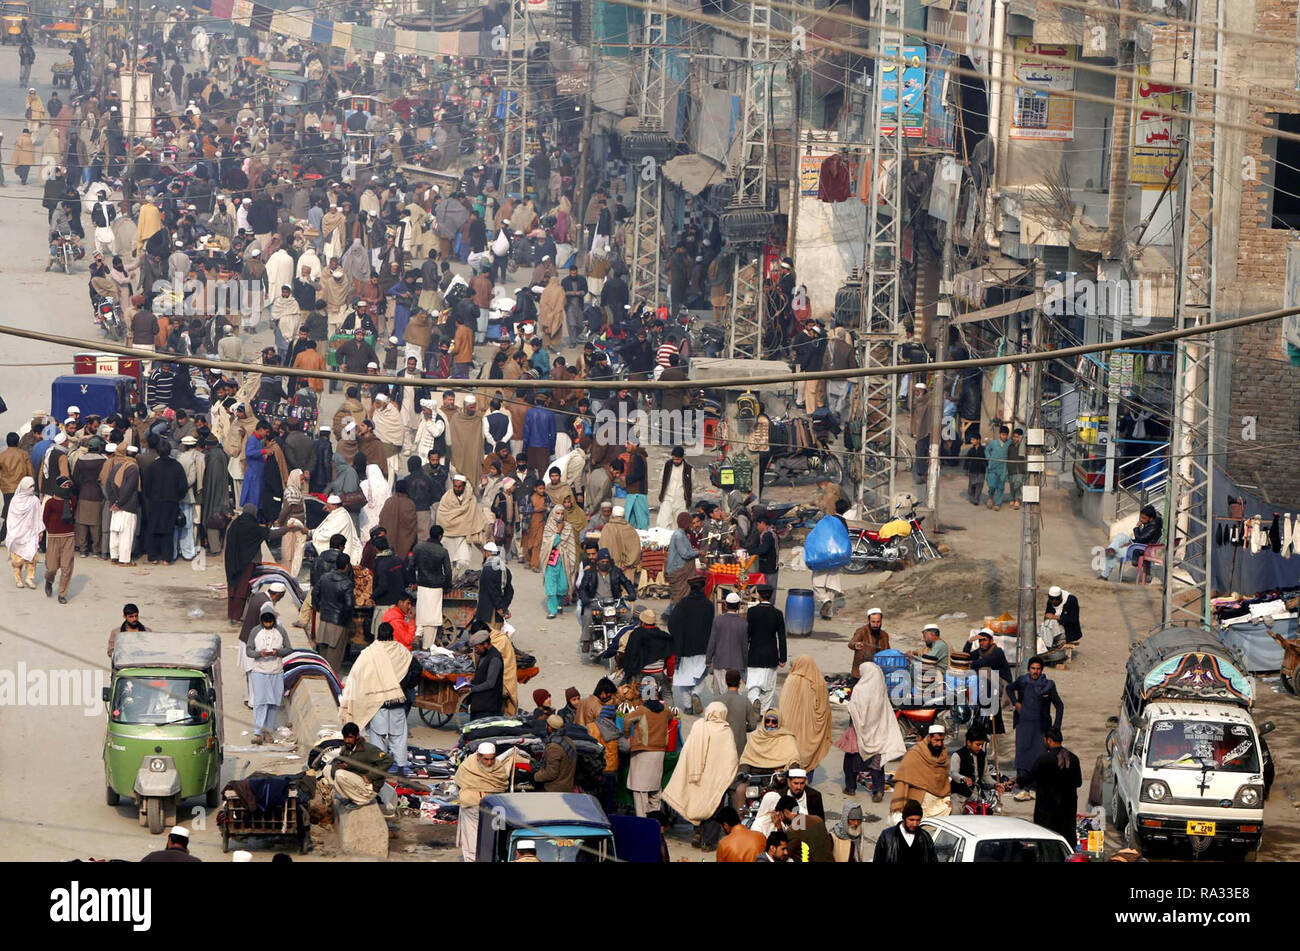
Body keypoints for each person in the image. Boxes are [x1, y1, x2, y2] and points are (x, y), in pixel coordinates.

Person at [340, 621, 421, 773]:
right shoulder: (402, 651)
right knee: (399, 737)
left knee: (378, 737)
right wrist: (406, 686)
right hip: (397, 702)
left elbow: (356, 675)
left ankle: (380, 769)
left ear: (378, 635)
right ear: (392, 635)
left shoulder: (369, 653)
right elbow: (417, 669)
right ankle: (401, 768)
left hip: (377, 705)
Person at [663, 701, 739, 850]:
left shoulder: (698, 726)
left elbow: (687, 751)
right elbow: (731, 759)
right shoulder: (725, 731)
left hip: (697, 775)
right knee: (714, 807)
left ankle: (698, 833)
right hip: (716, 778)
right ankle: (709, 842)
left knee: (697, 802)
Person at [453, 741, 521, 861]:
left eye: (492, 759)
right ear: (478, 756)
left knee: (498, 837)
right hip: (472, 806)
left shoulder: (499, 768)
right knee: (471, 839)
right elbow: (459, 783)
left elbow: (502, 786)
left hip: (496, 807)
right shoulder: (467, 767)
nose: (489, 763)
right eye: (486, 759)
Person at [1009, 656, 1065, 798]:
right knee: (1022, 755)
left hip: (1041, 727)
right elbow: (1009, 689)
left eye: (1038, 669)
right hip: (1024, 725)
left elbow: (1059, 705)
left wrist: (1056, 727)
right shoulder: (1022, 681)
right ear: (1029, 669)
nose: (1035, 671)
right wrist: (1016, 703)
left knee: (1038, 756)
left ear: (1042, 670)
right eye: (1033, 668)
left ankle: (1035, 787)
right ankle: (1023, 788)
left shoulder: (1048, 685)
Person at [623, 677, 671, 817]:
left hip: (643, 752)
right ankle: (655, 818)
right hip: (659, 753)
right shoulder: (665, 709)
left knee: (640, 789)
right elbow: (671, 718)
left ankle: (642, 819)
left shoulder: (642, 710)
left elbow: (627, 721)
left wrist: (628, 735)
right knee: (655, 788)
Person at [778, 655, 833, 779]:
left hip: (789, 728)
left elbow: (783, 705)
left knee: (791, 754)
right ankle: (806, 782)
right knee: (809, 752)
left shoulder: (790, 680)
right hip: (810, 728)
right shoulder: (819, 682)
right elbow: (824, 709)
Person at [327, 722, 395, 815]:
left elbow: (388, 761)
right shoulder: (347, 749)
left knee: (340, 775)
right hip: (358, 780)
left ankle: (361, 800)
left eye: (350, 737)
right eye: (345, 737)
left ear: (357, 736)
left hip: (370, 785)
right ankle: (350, 797)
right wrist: (340, 766)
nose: (347, 740)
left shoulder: (368, 749)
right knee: (328, 770)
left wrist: (371, 776)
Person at [246, 607, 291, 744]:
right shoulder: (255, 631)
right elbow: (249, 650)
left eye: (270, 621)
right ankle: (258, 732)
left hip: (276, 671)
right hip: (260, 671)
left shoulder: (281, 631)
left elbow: (289, 649)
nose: (268, 623)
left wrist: (278, 652)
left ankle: (268, 731)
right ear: (261, 620)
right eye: (265, 621)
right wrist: (260, 654)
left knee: (273, 703)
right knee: (261, 702)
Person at [668, 574, 713, 712]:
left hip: (685, 648)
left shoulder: (682, 604)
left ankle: (688, 706)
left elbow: (672, 623)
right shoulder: (709, 606)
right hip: (703, 648)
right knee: (701, 675)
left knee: (684, 678)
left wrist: (677, 638)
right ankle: (696, 693)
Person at [1030, 727, 1082, 844]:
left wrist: (1015, 781)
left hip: (1046, 814)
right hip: (1067, 812)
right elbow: (1078, 783)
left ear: (1049, 740)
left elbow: (1030, 780)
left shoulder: (1042, 760)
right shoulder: (1073, 759)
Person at [889, 725, 952, 821]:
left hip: (937, 804)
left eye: (941, 740)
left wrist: (947, 798)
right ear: (929, 737)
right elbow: (902, 779)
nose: (939, 744)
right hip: (917, 801)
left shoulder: (943, 754)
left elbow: (944, 780)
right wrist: (899, 805)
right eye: (936, 740)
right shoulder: (915, 753)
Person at [745, 584, 786, 710]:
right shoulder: (778, 614)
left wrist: (744, 652)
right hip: (771, 655)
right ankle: (763, 711)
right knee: (768, 687)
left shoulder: (752, 612)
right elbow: (782, 637)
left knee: (753, 684)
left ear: (758, 595)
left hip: (755, 653)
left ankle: (755, 700)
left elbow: (747, 634)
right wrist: (783, 657)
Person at [312, 551, 356, 672]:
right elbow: (349, 605)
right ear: (347, 566)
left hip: (325, 618)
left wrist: (319, 607)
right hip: (339, 622)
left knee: (323, 651)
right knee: (335, 655)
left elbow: (315, 594)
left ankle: (321, 674)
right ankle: (330, 678)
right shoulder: (347, 583)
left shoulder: (324, 577)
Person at [41, 477, 76, 603]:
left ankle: (62, 594)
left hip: (69, 536)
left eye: (68, 486)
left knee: (67, 567)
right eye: (64, 486)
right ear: (58, 487)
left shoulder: (72, 499)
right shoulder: (50, 502)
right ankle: (49, 581)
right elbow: (45, 519)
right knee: (52, 567)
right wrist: (51, 530)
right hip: (54, 537)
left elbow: (74, 514)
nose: (67, 488)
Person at [949, 725, 1002, 810]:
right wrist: (963, 778)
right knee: (956, 815)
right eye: (978, 744)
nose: (980, 747)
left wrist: (995, 784)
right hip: (959, 796)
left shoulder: (982, 756)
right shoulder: (957, 755)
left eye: (982, 744)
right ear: (969, 742)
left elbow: (985, 775)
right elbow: (953, 773)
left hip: (977, 795)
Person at [706, 592, 749, 696]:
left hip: (720, 661)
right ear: (739, 605)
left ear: (725, 604)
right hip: (737, 664)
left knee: (720, 692)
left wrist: (708, 659)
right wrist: (745, 663)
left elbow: (712, 641)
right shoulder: (744, 623)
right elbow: (745, 646)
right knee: (732, 692)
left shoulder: (718, 620)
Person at [772, 793, 834, 862]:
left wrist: (779, 828)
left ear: (786, 812)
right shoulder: (818, 819)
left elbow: (783, 856)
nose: (780, 818)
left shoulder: (793, 830)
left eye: (780, 814)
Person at [872, 800, 938, 864]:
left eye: (918, 820)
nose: (915, 824)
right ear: (904, 818)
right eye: (911, 820)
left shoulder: (925, 838)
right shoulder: (887, 836)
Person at [619, 608, 673, 685]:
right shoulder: (664, 636)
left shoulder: (635, 634)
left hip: (639, 673)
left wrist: (627, 673)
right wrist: (670, 676)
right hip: (658, 673)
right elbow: (671, 659)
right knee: (667, 694)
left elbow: (629, 654)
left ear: (642, 623)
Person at [5, 476, 41, 588]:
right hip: (17, 533)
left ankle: (29, 578)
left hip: (30, 533)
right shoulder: (15, 500)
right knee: (17, 560)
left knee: (31, 557)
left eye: (33, 486)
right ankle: (18, 579)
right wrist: (11, 532)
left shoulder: (34, 500)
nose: (32, 488)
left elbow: (38, 516)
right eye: (30, 486)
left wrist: (40, 531)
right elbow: (10, 517)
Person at [533, 714, 578, 792]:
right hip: (568, 786)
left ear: (549, 727)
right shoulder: (568, 741)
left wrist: (534, 776)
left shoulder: (553, 747)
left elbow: (551, 773)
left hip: (555, 790)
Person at [465, 629, 504, 719]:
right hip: (479, 704)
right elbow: (483, 672)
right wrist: (473, 677)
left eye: (477, 648)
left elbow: (490, 683)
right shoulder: (483, 654)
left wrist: (471, 690)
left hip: (488, 707)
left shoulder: (495, 658)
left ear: (485, 644)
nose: (475, 651)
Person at [475, 541, 514, 629]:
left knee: (490, 636)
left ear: (487, 553)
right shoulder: (504, 568)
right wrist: (504, 608)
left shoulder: (488, 569)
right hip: (499, 611)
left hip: (490, 612)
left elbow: (492, 592)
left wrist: (500, 607)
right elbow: (509, 591)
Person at [665, 511, 701, 603]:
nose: (691, 526)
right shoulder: (679, 536)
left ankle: (669, 615)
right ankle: (672, 615)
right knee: (679, 597)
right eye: (690, 523)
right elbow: (685, 554)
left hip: (680, 570)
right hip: (678, 571)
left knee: (679, 596)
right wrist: (698, 553)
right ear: (686, 524)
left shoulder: (681, 534)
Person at [848, 606, 890, 674]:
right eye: (873, 622)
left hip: (878, 671)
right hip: (861, 673)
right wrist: (855, 645)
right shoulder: (862, 631)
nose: (876, 625)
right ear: (869, 621)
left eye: (878, 622)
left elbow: (889, 652)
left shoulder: (884, 635)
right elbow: (851, 643)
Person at [984, 424, 1011, 510]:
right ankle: (990, 498)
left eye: (1006, 435)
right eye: (1003, 434)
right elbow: (987, 450)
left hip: (1003, 467)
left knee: (1001, 486)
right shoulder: (994, 443)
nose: (1004, 436)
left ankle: (998, 504)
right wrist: (989, 458)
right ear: (1000, 434)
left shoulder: (1009, 443)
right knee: (992, 485)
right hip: (993, 466)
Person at [751, 512, 779, 590]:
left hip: (770, 566)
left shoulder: (768, 534)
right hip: (769, 565)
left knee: (769, 589)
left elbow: (763, 549)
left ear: (763, 523)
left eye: (758, 525)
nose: (757, 527)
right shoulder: (770, 531)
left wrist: (750, 552)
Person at [962, 434, 986, 505]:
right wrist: (966, 470)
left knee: (979, 485)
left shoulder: (983, 450)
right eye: (971, 440)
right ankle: (972, 497)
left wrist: (987, 466)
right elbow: (967, 460)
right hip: (972, 470)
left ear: (978, 440)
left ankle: (976, 499)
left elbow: (986, 460)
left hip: (981, 470)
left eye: (973, 439)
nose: (972, 441)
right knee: (972, 485)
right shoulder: (970, 450)